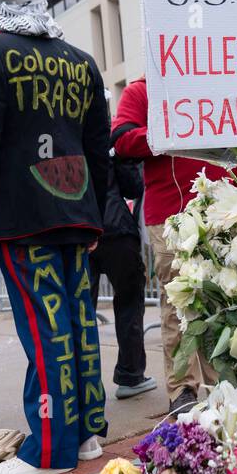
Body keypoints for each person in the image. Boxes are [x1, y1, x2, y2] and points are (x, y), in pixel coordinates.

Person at [0, 0, 112, 474]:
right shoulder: (81, 61)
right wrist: (96, 213)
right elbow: (97, 144)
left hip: (23, 216)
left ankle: (50, 448)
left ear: (0, 10)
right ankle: (88, 432)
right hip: (76, 208)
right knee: (78, 322)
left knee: (46, 330)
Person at [112, 77, 228, 414]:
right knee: (179, 306)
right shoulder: (140, 90)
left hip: (221, 210)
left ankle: (224, 387)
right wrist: (165, 133)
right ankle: (183, 392)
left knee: (223, 302)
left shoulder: (216, 81)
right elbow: (121, 142)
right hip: (169, 216)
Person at [90, 148, 156, 401]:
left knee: (81, 311)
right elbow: (134, 187)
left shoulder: (65, 130)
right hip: (117, 229)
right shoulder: (107, 138)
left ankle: (84, 384)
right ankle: (131, 376)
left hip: (79, 228)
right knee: (129, 301)